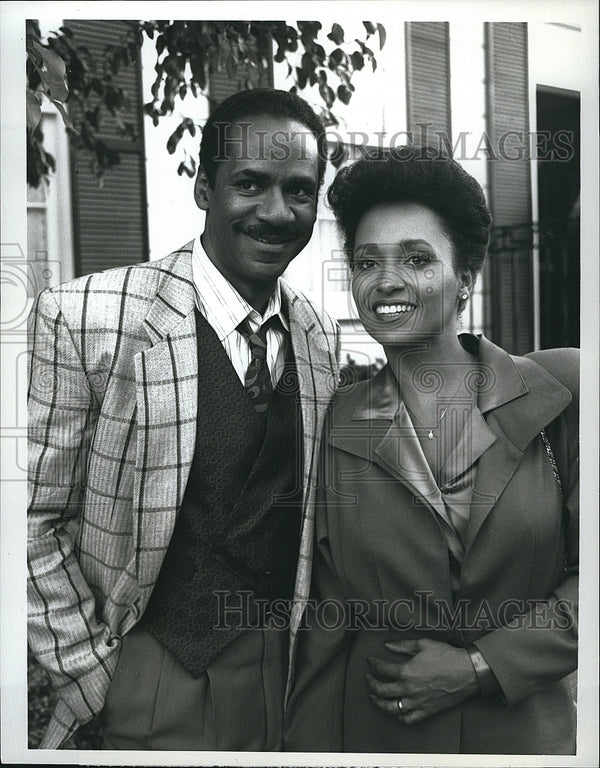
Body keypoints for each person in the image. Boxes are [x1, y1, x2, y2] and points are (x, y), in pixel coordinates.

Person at [27, 88, 340, 750]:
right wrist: (90, 671)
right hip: (147, 675)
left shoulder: (316, 335)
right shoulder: (89, 316)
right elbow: (29, 519)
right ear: (204, 187)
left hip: (281, 686)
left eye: (299, 190)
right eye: (250, 184)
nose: (277, 211)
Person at [284, 146, 578, 754]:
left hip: (527, 739)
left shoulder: (559, 396)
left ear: (466, 278)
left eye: (417, 259)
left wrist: (480, 665)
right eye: (367, 262)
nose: (387, 280)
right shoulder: (333, 422)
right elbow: (323, 623)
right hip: (378, 735)